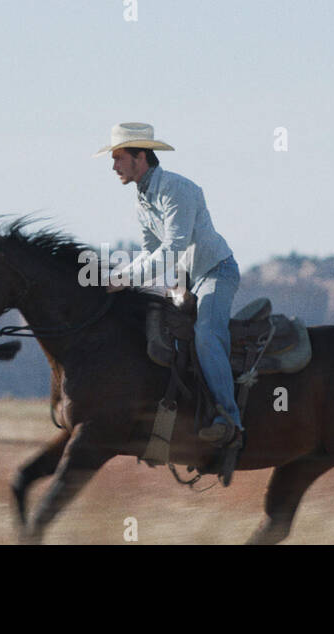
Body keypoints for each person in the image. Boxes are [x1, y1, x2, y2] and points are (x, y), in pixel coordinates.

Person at [94, 122, 242, 445]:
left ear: (141, 156)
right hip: (183, 278)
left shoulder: (176, 189)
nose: (113, 165)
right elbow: (151, 254)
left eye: (118, 157)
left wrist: (123, 279)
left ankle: (228, 419)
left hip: (216, 272)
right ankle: (166, 433)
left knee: (205, 335)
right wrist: (121, 279)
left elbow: (171, 250)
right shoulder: (142, 202)